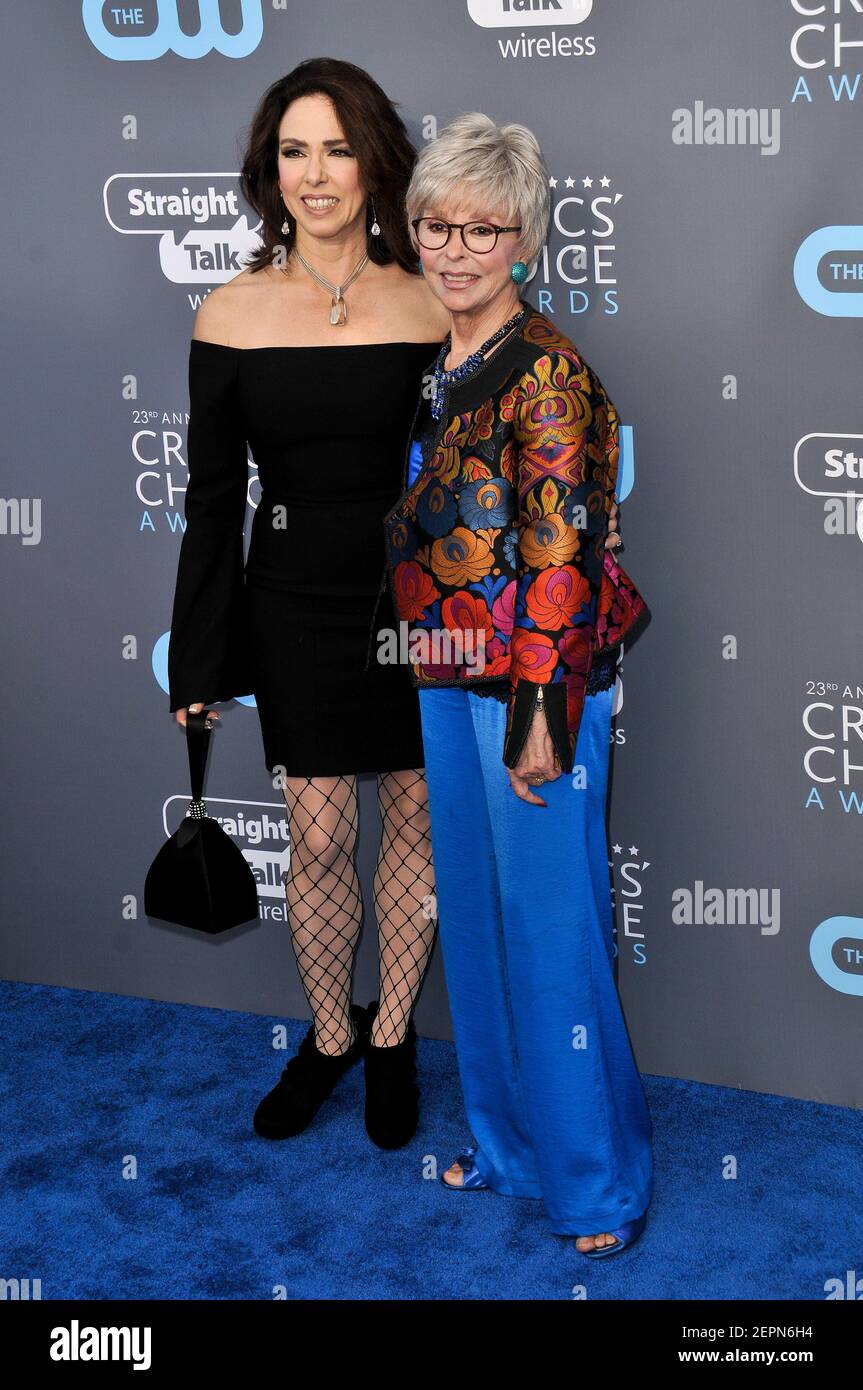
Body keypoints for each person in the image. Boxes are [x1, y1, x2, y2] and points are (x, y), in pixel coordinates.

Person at [375, 111, 653, 1255]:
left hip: (526, 696)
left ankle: (594, 1188)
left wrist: (542, 719)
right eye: (435, 223)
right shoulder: (444, 362)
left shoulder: (544, 376)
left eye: (479, 228)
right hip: (444, 670)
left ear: (522, 238)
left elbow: (558, 555)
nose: (451, 247)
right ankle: (507, 1150)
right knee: (483, 931)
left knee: (548, 933)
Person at [166, 59, 449, 1150]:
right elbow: (206, 504)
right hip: (292, 598)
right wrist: (199, 665)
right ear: (266, 169)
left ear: (375, 159)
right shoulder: (232, 310)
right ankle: (331, 1033)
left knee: (416, 817)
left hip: (417, 601)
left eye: (337, 147)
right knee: (321, 834)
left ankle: (391, 1042)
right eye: (294, 149)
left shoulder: (430, 296)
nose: (316, 173)